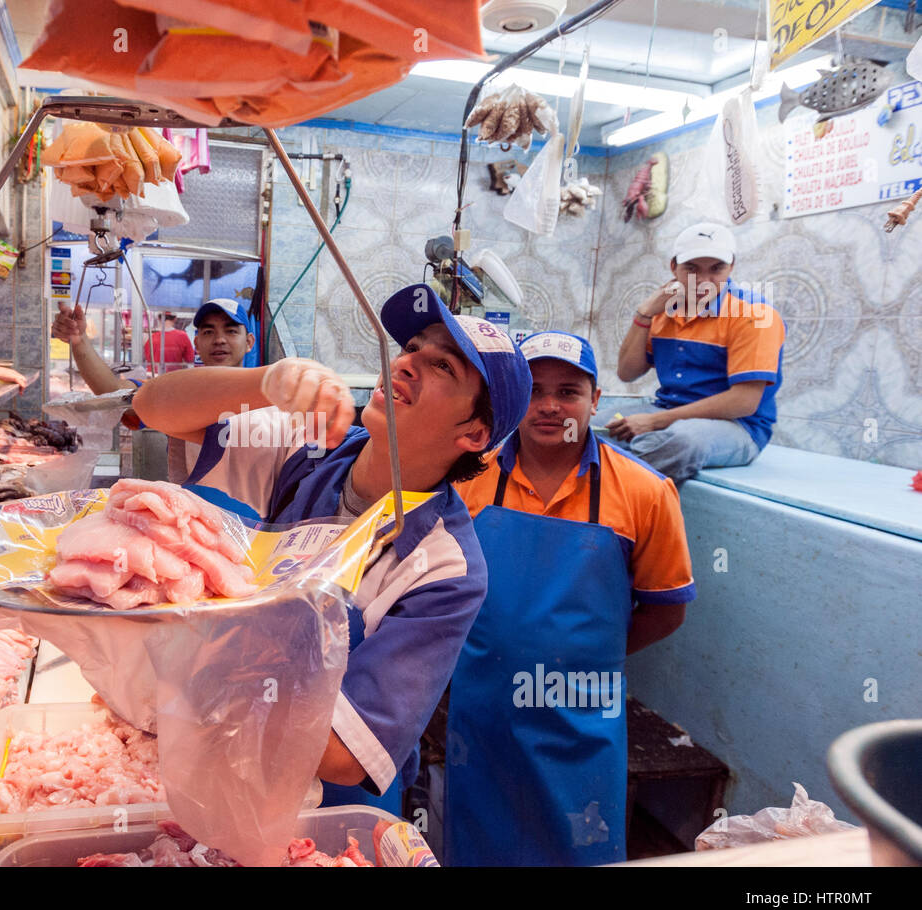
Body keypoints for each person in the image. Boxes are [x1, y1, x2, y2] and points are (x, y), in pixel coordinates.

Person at [133, 283, 532, 812]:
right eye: (414, 349)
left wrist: (198, 664)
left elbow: (346, 751)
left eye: (444, 368)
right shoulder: (308, 447)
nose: (407, 364)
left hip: (322, 812)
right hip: (216, 763)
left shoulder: (444, 565)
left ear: (476, 434)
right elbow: (152, 408)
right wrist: (264, 380)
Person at [445, 330, 695, 866]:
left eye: (568, 391)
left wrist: (586, 658)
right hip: (481, 709)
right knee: (479, 842)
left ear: (596, 400)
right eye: (533, 390)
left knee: (579, 845)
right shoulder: (468, 477)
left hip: (581, 714)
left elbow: (666, 609)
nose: (549, 406)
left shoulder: (646, 492)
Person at [599, 221, 785, 483]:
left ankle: (612, 500)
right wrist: (644, 314)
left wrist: (655, 423)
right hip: (668, 411)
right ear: (673, 267)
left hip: (739, 427)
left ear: (731, 266)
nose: (704, 281)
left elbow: (744, 402)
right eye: (692, 269)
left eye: (716, 269)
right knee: (588, 427)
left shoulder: (754, 314)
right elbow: (627, 373)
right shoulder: (664, 310)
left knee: (682, 442)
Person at [52, 298, 258, 482]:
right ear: (196, 343)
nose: (219, 339)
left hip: (259, 522)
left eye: (231, 331)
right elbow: (112, 390)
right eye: (208, 331)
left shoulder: (268, 396)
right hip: (193, 517)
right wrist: (79, 341)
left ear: (249, 342)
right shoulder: (179, 393)